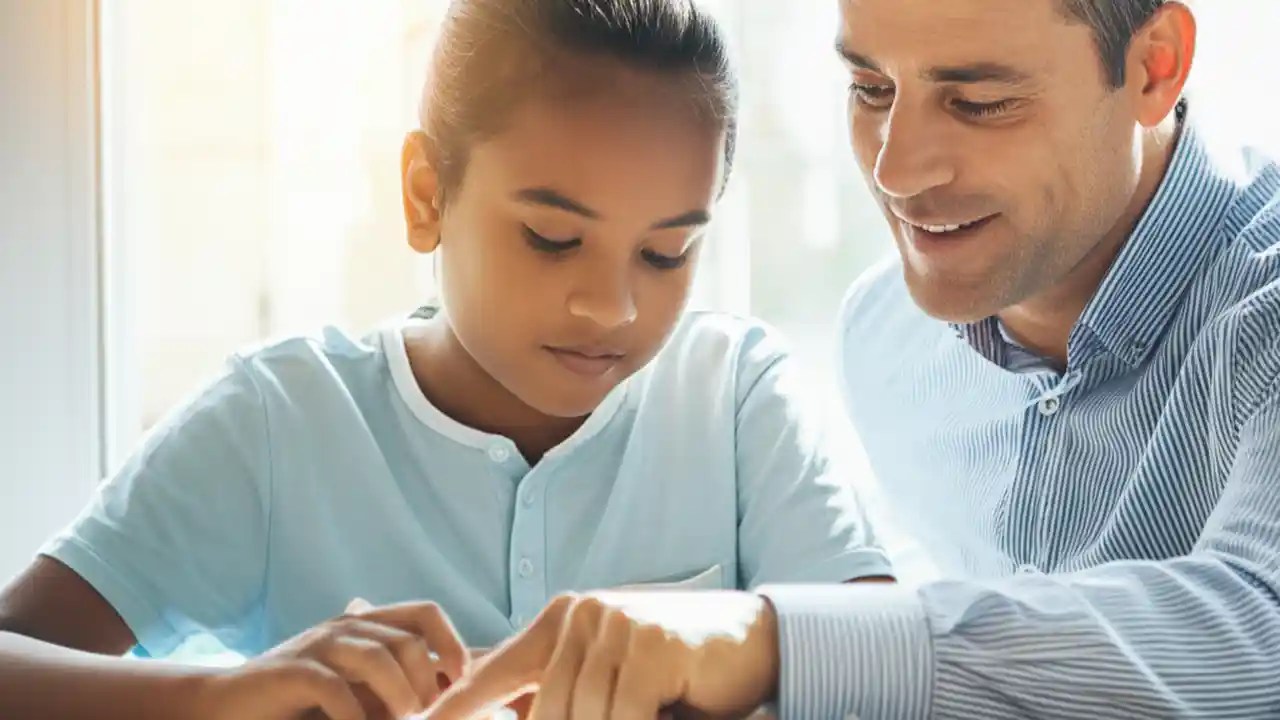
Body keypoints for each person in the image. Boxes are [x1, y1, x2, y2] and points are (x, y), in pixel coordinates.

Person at [0, 1, 893, 718]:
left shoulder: (735, 396)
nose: (613, 307)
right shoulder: (281, 419)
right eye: (551, 238)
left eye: (666, 254)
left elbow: (893, 654)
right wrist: (224, 696)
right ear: (427, 195)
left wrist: (714, 645)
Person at [422, 0, 1280, 718]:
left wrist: (771, 643)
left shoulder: (1263, 305)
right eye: (870, 88)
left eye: (979, 102)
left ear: (1153, 68)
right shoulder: (886, 341)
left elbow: (1259, 631)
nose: (897, 170)